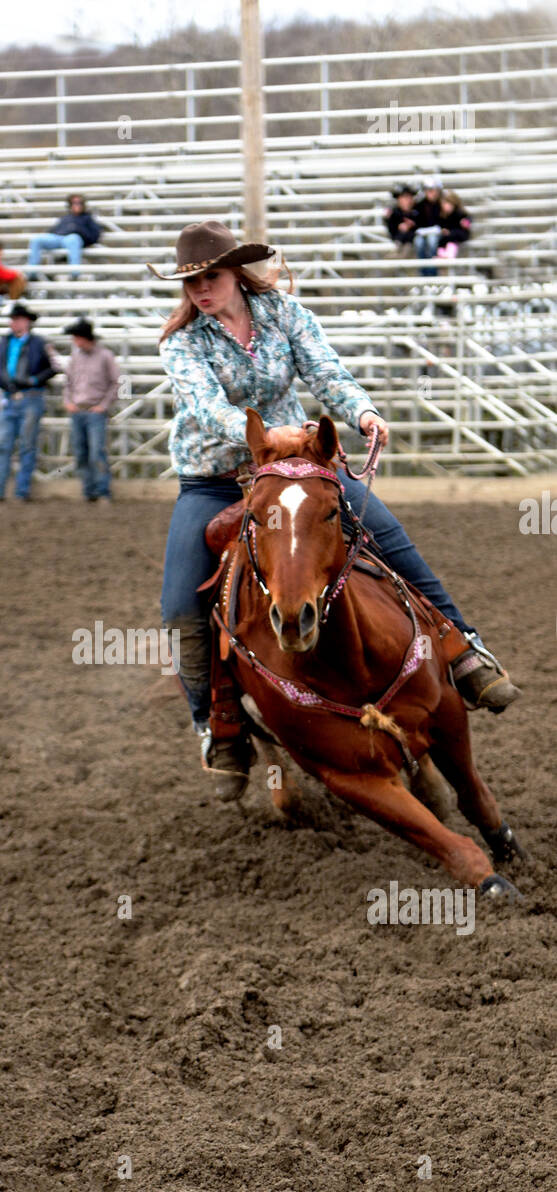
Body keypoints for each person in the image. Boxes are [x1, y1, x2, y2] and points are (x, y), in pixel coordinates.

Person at [148, 220, 520, 799]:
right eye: (190, 281)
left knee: (388, 537)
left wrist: (363, 412)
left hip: (295, 468)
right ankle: (215, 726)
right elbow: (207, 408)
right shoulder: (181, 341)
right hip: (215, 482)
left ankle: (463, 647)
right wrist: (265, 435)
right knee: (179, 605)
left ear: (236, 275)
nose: (199, 290)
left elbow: (326, 373)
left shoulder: (285, 315)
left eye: (210, 277)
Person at [0, 304, 59, 501]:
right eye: (12, 319)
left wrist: (34, 380)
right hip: (9, 397)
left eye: (16, 318)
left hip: (30, 396)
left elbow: (53, 367)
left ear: (26, 321)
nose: (13, 322)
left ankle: (20, 492)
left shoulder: (39, 343)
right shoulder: (4, 342)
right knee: (2, 445)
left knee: (26, 445)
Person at [63, 317, 120, 503]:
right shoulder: (75, 357)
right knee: (81, 452)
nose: (75, 341)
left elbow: (117, 382)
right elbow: (68, 382)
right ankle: (90, 491)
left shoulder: (105, 356)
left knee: (96, 451)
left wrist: (103, 406)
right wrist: (68, 401)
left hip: (95, 412)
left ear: (84, 338)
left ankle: (102, 491)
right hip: (79, 410)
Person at [27, 194, 102, 276]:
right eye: (74, 203)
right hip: (58, 238)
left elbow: (94, 236)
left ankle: (74, 273)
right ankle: (32, 273)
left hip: (72, 239)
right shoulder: (65, 218)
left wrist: (78, 230)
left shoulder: (88, 218)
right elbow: (53, 231)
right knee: (36, 240)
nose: (77, 205)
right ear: (70, 205)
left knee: (74, 239)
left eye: (79, 203)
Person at [413, 178, 444, 276]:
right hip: (422, 233)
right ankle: (424, 274)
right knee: (419, 242)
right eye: (430, 190)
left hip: (439, 234)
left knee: (432, 240)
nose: (433, 193)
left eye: (435, 190)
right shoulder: (419, 205)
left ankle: (432, 274)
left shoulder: (442, 204)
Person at [437, 191, 473, 262]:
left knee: (451, 242)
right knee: (441, 241)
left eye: (448, 203)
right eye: (444, 204)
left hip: (459, 235)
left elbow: (468, 220)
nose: (446, 206)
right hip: (447, 237)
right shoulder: (442, 215)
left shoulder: (459, 213)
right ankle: (441, 254)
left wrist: (466, 223)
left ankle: (448, 255)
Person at [383, 184, 418, 255]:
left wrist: (412, 225)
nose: (408, 200)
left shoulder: (418, 211)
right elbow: (392, 233)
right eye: (404, 197)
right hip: (399, 245)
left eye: (409, 197)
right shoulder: (394, 214)